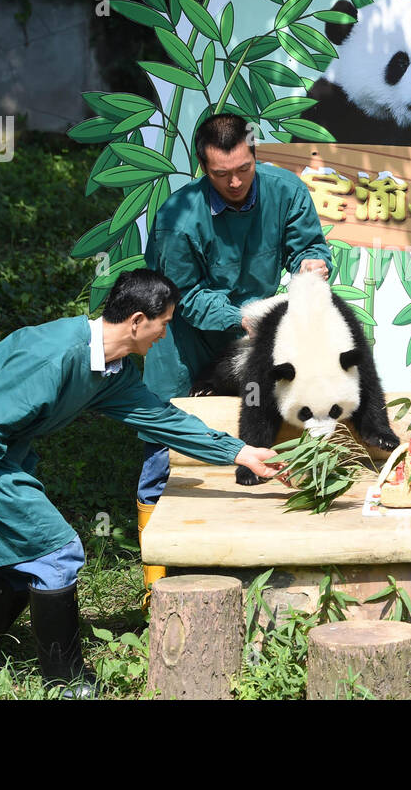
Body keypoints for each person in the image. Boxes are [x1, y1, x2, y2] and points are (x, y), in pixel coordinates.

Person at [0, 269, 282, 698]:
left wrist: (239, 453)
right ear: (136, 321)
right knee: (57, 552)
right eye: (164, 323)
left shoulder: (110, 369)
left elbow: (161, 418)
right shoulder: (53, 355)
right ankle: (66, 682)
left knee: (21, 560)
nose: (164, 335)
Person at [138, 113, 332, 542]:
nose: (235, 182)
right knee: (167, 459)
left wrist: (313, 263)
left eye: (244, 169)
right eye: (221, 174)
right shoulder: (178, 218)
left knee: (253, 424)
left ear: (255, 154)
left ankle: (237, 549)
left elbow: (310, 245)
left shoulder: (287, 191)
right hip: (185, 350)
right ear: (203, 168)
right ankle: (159, 566)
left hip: (246, 351)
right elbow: (180, 297)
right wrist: (240, 317)